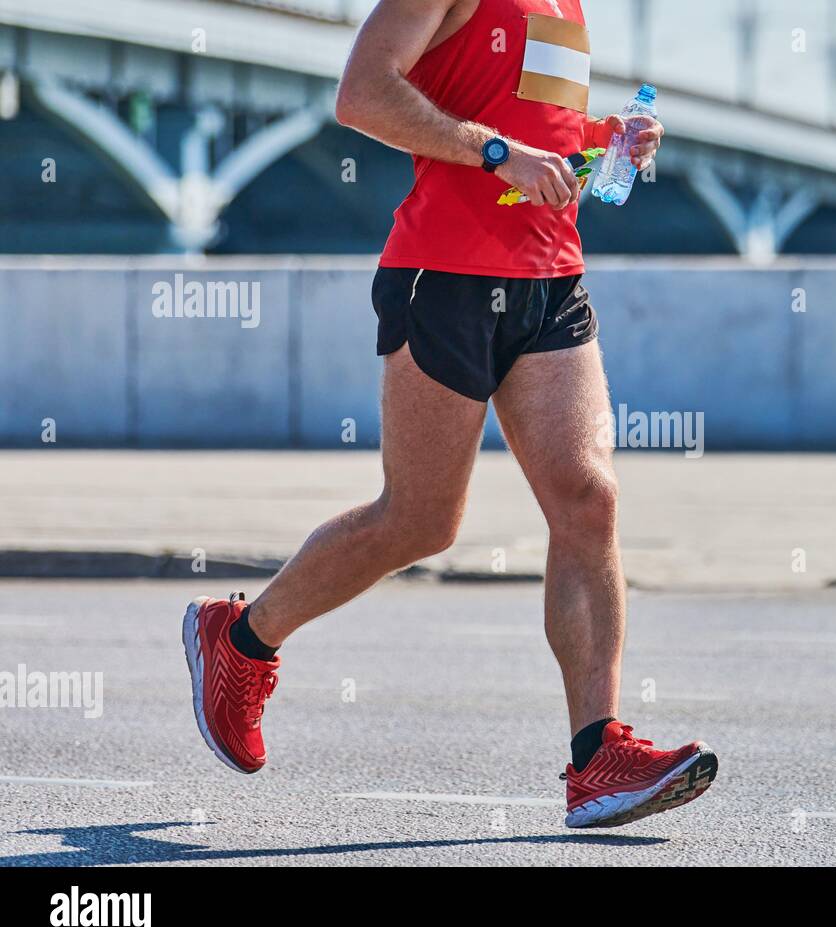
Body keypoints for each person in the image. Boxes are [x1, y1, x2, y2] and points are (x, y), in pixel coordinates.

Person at [180, 0, 717, 829]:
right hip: (447, 277)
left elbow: (532, 121)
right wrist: (496, 153)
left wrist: (598, 143)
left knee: (588, 499)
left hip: (552, 280)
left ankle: (596, 757)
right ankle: (241, 641)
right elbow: (361, 93)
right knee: (419, 521)